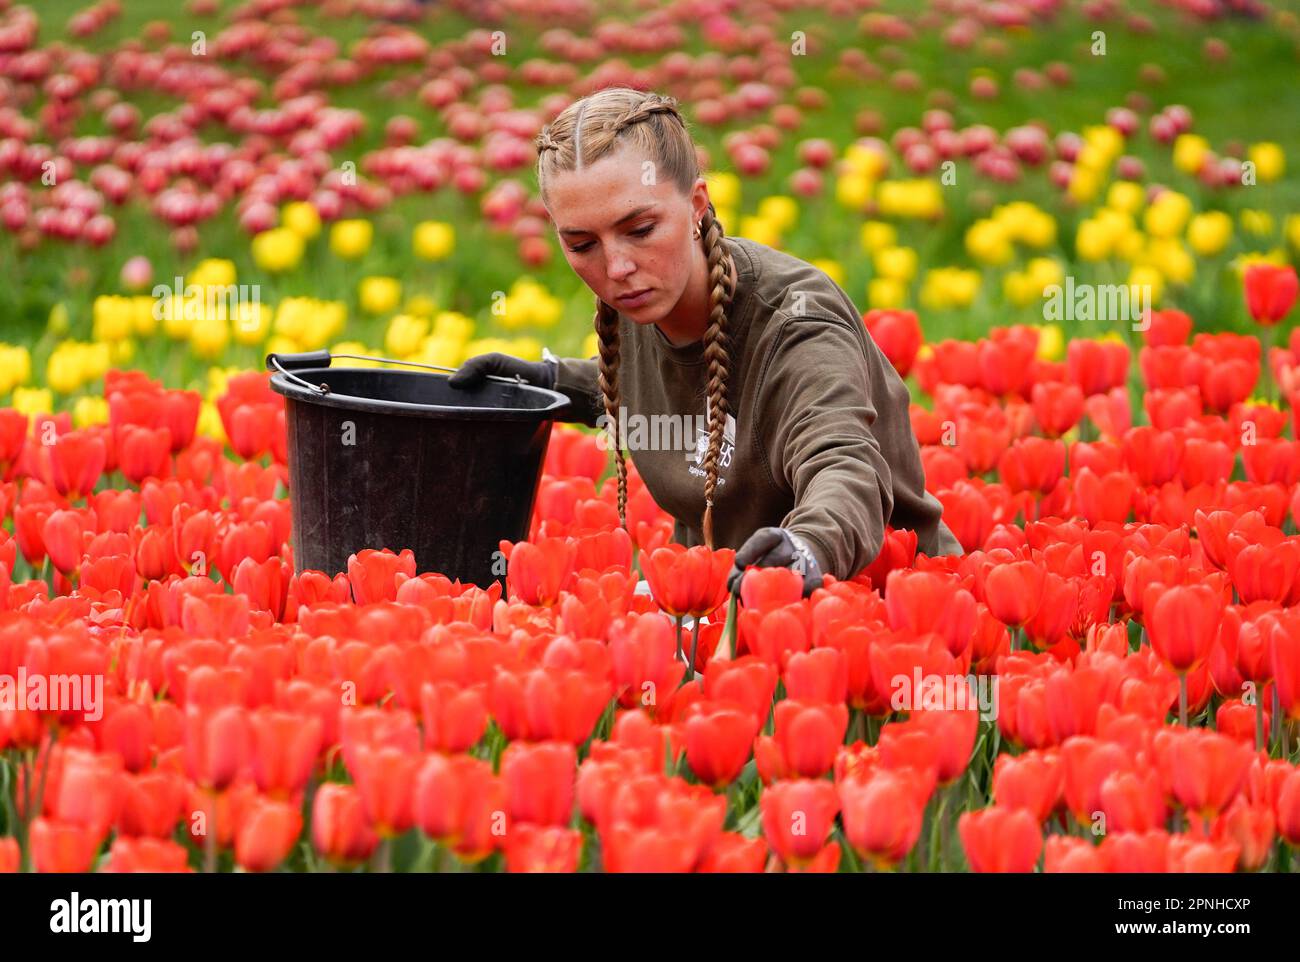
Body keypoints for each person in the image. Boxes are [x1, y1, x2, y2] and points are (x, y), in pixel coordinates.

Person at [450, 87, 963, 600]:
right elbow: (649, 384)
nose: (617, 268)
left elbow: (843, 463)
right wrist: (543, 384)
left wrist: (805, 548)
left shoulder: (797, 324)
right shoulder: (644, 301)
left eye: (641, 229)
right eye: (582, 244)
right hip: (719, 606)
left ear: (697, 204)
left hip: (875, 608)